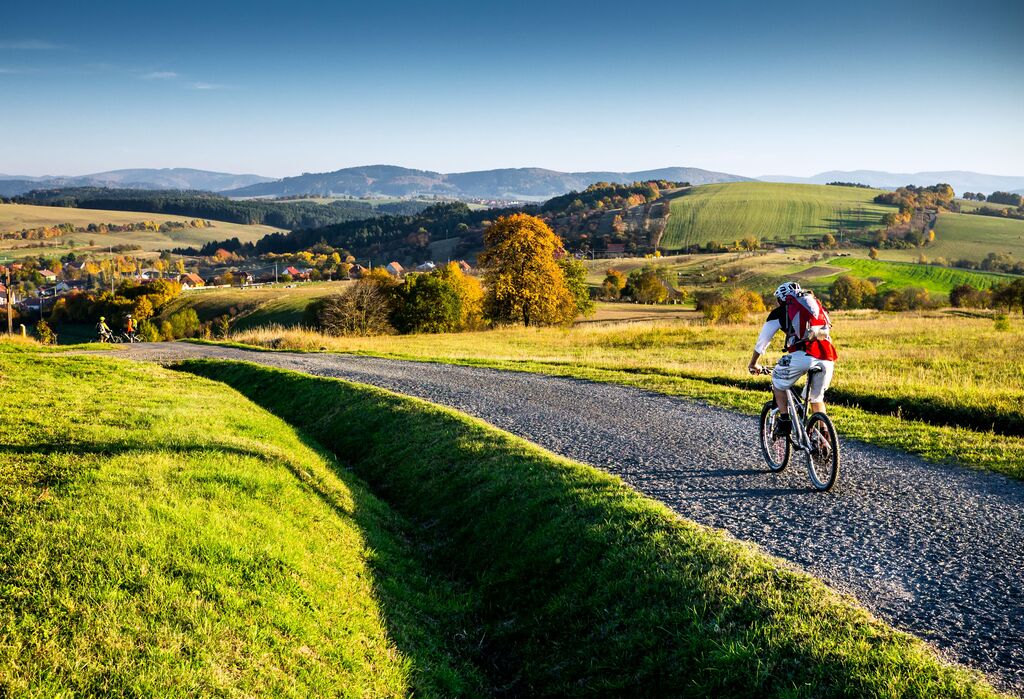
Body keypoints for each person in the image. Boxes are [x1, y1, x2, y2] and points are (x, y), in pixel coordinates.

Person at [747, 281, 837, 436]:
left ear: (781, 298)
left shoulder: (780, 312)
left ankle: (784, 422)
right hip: (827, 357)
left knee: (777, 379)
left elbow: (763, 341)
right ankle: (825, 438)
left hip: (802, 355)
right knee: (816, 398)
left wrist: (753, 363)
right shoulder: (816, 306)